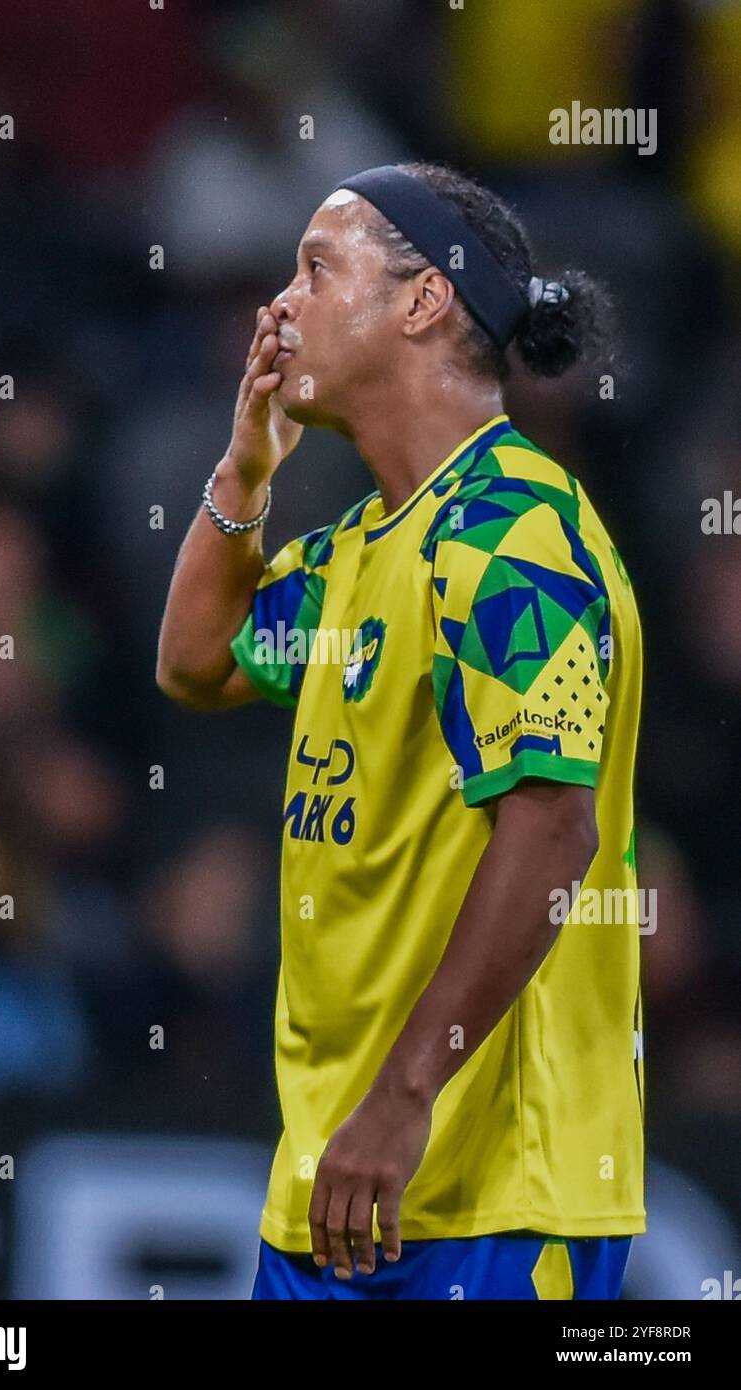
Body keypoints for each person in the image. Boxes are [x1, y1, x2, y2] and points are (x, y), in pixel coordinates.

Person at [156, 162, 645, 1301]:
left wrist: (404, 1092)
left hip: (489, 1195)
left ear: (424, 301)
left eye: (316, 270)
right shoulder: (361, 551)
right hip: (337, 1189)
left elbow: (551, 834)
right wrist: (247, 466)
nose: (277, 306)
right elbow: (195, 662)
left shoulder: (512, 538)